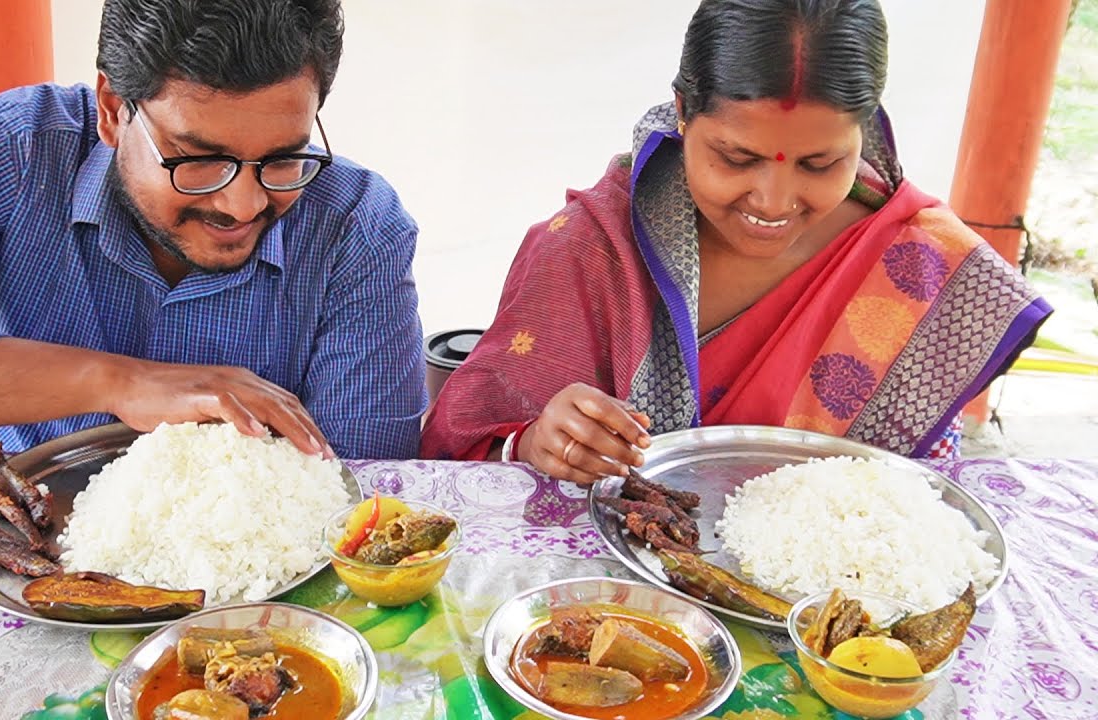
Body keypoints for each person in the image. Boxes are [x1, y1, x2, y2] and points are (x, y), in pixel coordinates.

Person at [421, 0, 1052, 483]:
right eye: (735, 156)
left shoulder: (923, 269)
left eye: (818, 164)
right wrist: (536, 444)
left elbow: (919, 489)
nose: (774, 203)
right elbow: (462, 459)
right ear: (682, 113)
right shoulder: (590, 250)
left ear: (866, 132)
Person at [0, 0, 427, 458]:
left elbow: (365, 481)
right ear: (113, 110)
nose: (244, 204)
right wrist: (118, 383)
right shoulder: (11, 149)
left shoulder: (357, 226)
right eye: (198, 157)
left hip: (258, 577)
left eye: (283, 158)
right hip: (13, 521)